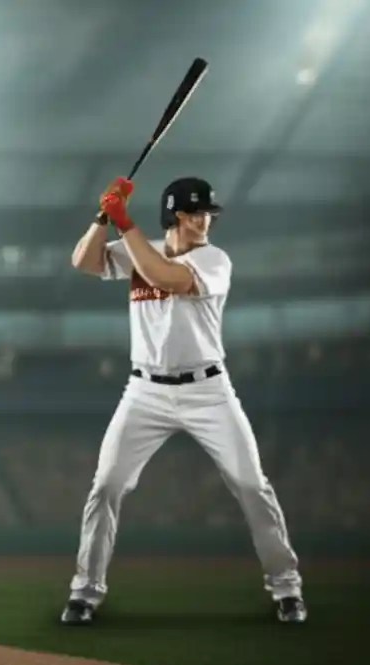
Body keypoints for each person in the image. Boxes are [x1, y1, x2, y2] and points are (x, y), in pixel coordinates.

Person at [60, 176, 307, 626]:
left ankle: (287, 587)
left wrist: (124, 223)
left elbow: (168, 278)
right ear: (174, 215)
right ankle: (84, 592)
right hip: (144, 392)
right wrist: (103, 217)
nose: (204, 220)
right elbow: (83, 261)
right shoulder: (143, 249)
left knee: (251, 485)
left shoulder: (214, 259)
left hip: (208, 391)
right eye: (195, 213)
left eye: (208, 213)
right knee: (106, 485)